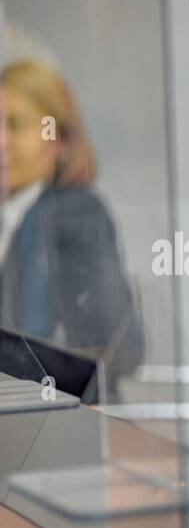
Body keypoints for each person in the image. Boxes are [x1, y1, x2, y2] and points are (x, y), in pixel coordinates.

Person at [0, 59, 143, 394]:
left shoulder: (73, 212)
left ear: (59, 140)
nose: (1, 141)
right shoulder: (16, 215)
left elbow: (114, 347)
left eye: (16, 125)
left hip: (58, 421)